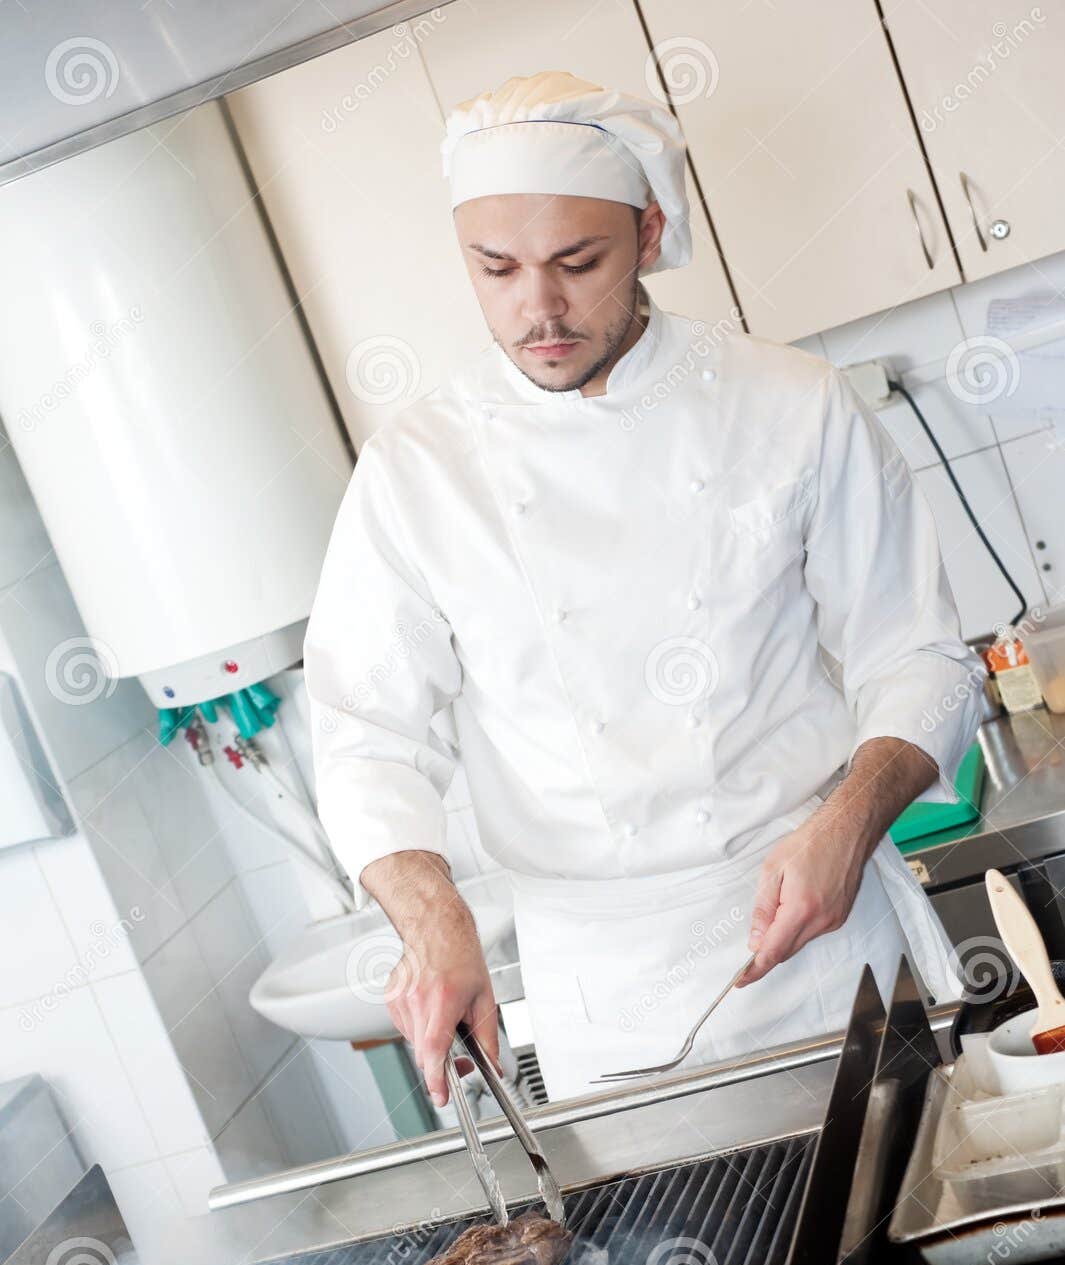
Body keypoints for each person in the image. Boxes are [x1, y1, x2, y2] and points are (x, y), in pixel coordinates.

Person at [304, 70, 983, 1105]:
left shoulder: (793, 406)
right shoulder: (416, 471)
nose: (539, 310)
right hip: (601, 994)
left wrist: (849, 823)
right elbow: (367, 733)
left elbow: (923, 660)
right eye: (496, 270)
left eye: (578, 263)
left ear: (651, 233)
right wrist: (432, 917)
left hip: (822, 947)